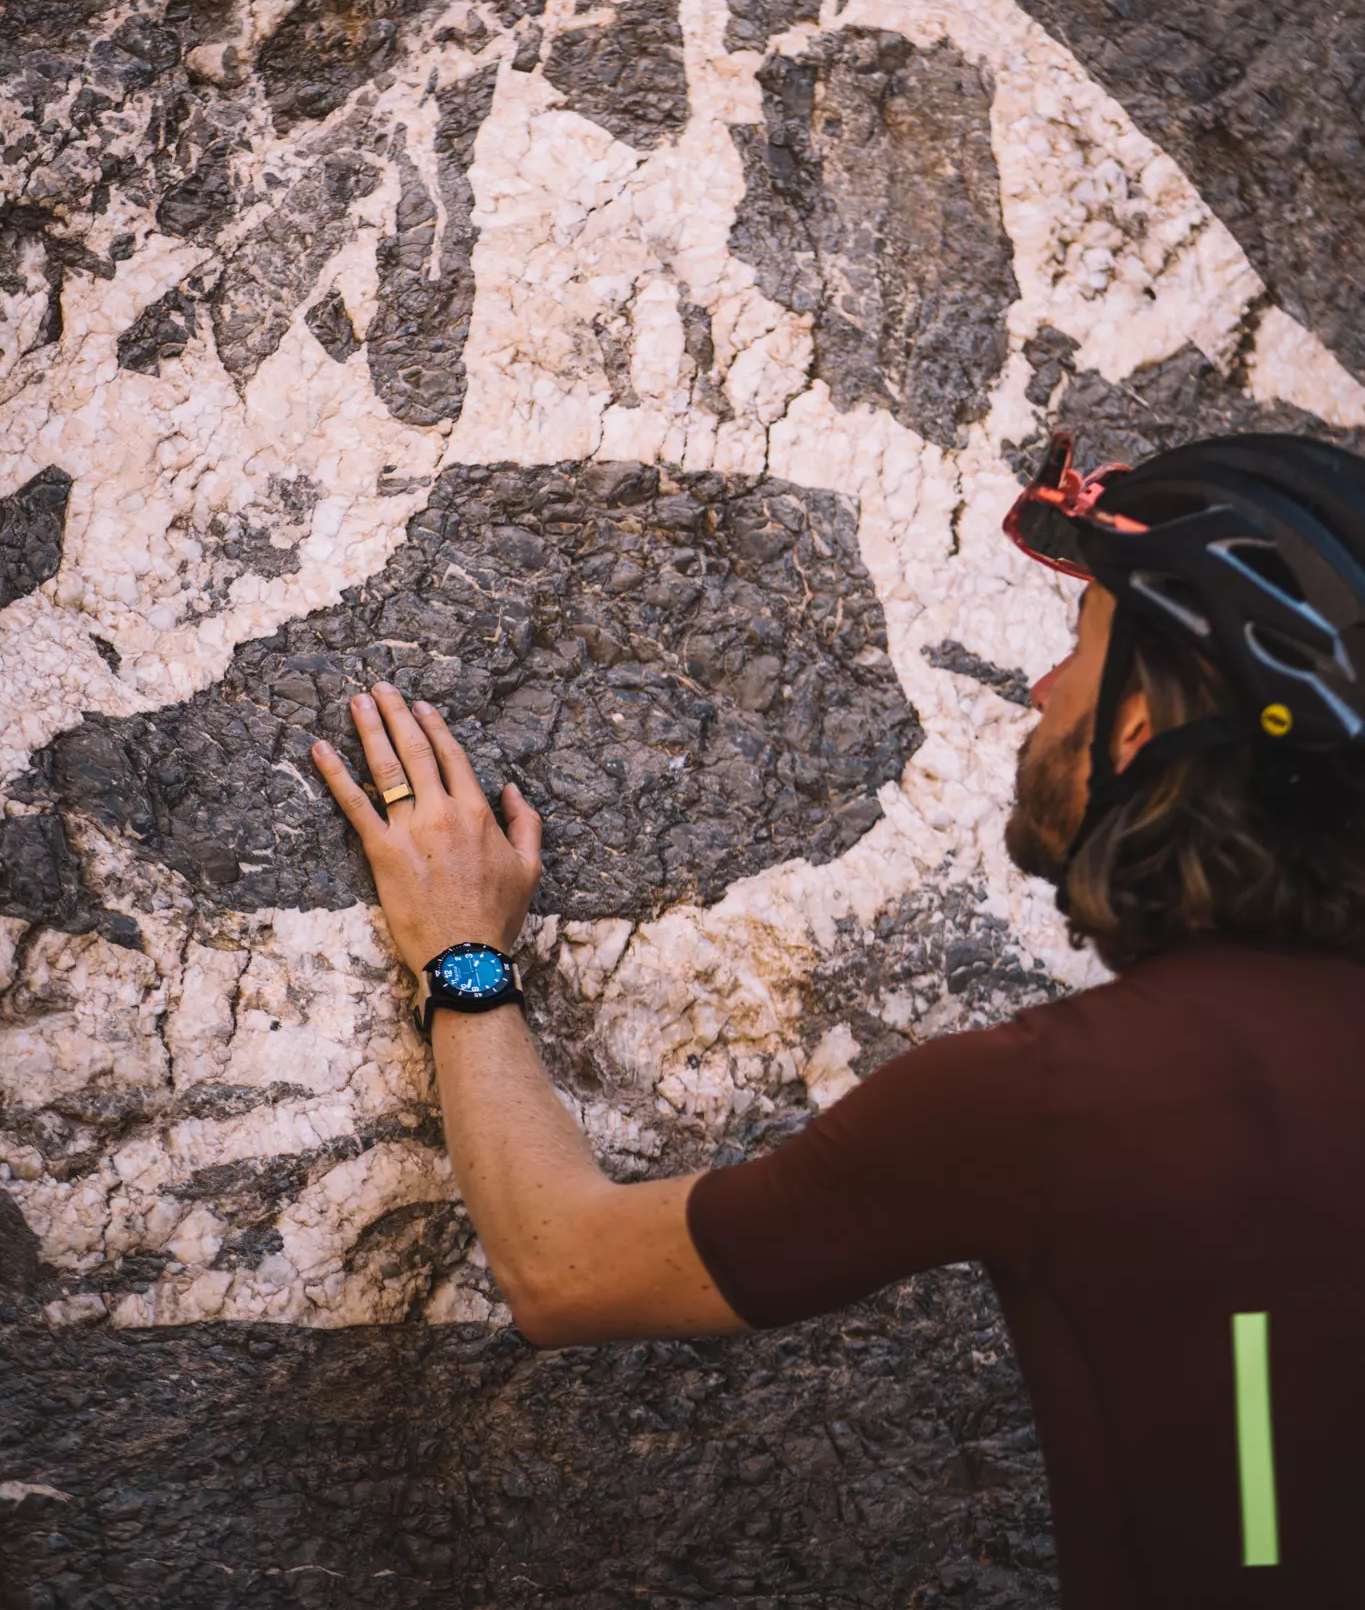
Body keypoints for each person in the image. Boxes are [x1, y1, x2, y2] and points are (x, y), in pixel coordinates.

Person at [311, 430, 1365, 1610]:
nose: (1044, 686)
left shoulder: (1060, 1098)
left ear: (1139, 729)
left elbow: (562, 1266)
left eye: (1081, 649)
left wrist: (464, 953)